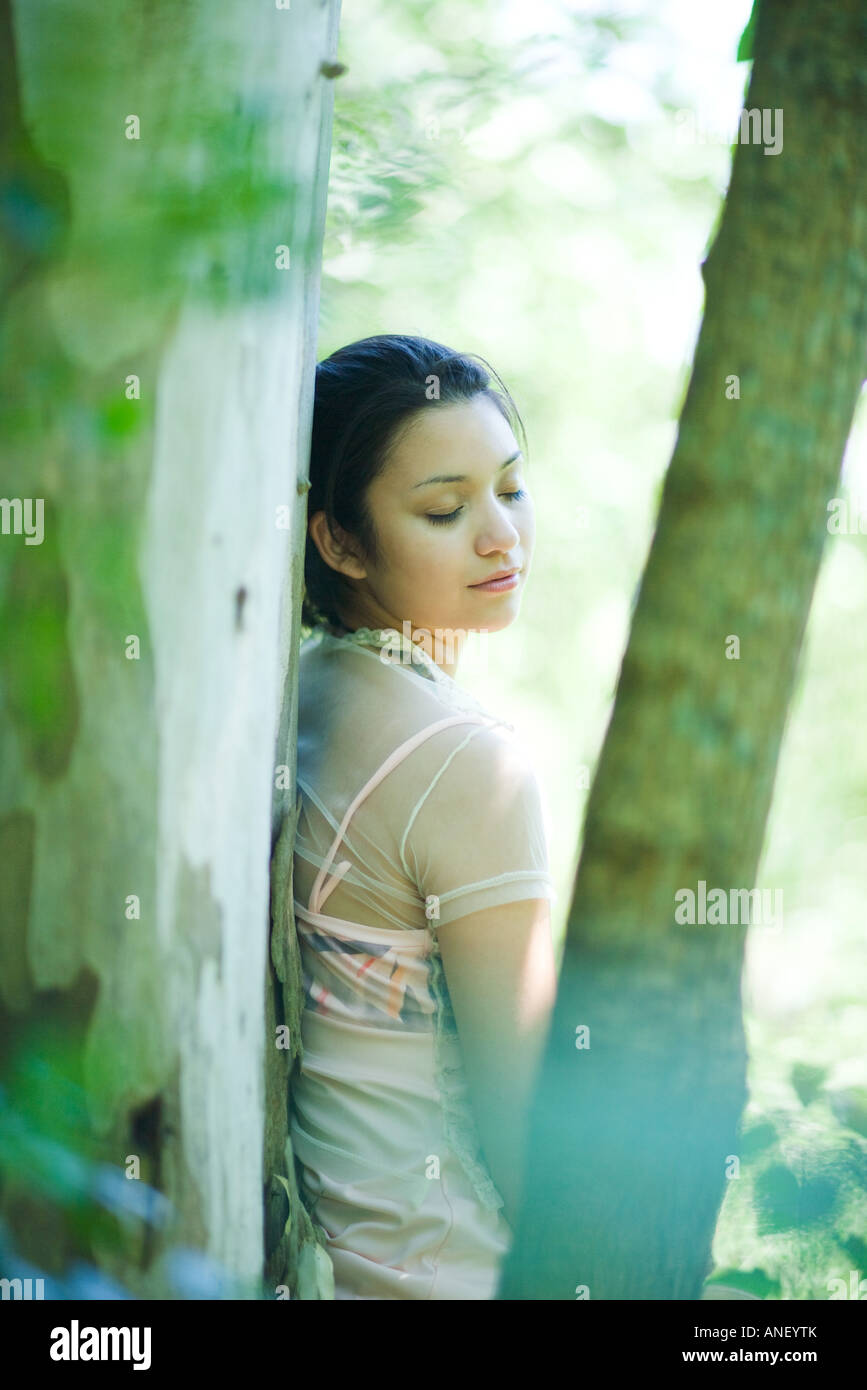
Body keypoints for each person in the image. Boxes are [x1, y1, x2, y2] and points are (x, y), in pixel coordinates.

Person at [290, 333, 558, 1299]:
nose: (500, 535)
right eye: (446, 509)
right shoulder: (464, 764)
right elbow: (529, 1135)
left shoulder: (306, 688)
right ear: (340, 540)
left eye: (511, 489)